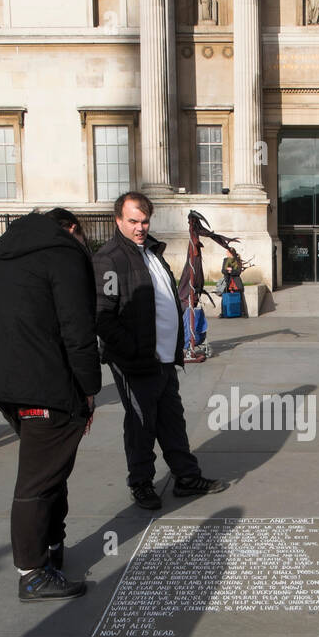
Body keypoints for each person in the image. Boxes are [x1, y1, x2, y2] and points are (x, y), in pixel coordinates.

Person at [0, 212, 101, 600]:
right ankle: (32, 572)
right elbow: (78, 329)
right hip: (46, 383)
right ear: (72, 230)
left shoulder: (4, 256)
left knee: (50, 469)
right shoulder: (64, 254)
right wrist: (89, 388)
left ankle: (51, 549)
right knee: (38, 481)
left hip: (6, 383)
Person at [93, 192, 227, 511]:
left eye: (144, 221)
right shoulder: (109, 259)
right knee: (141, 423)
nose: (140, 227)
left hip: (165, 358)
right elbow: (103, 317)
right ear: (118, 220)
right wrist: (135, 352)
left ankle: (186, 476)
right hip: (137, 361)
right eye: (133, 221)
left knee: (171, 419)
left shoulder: (152, 251)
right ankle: (141, 483)